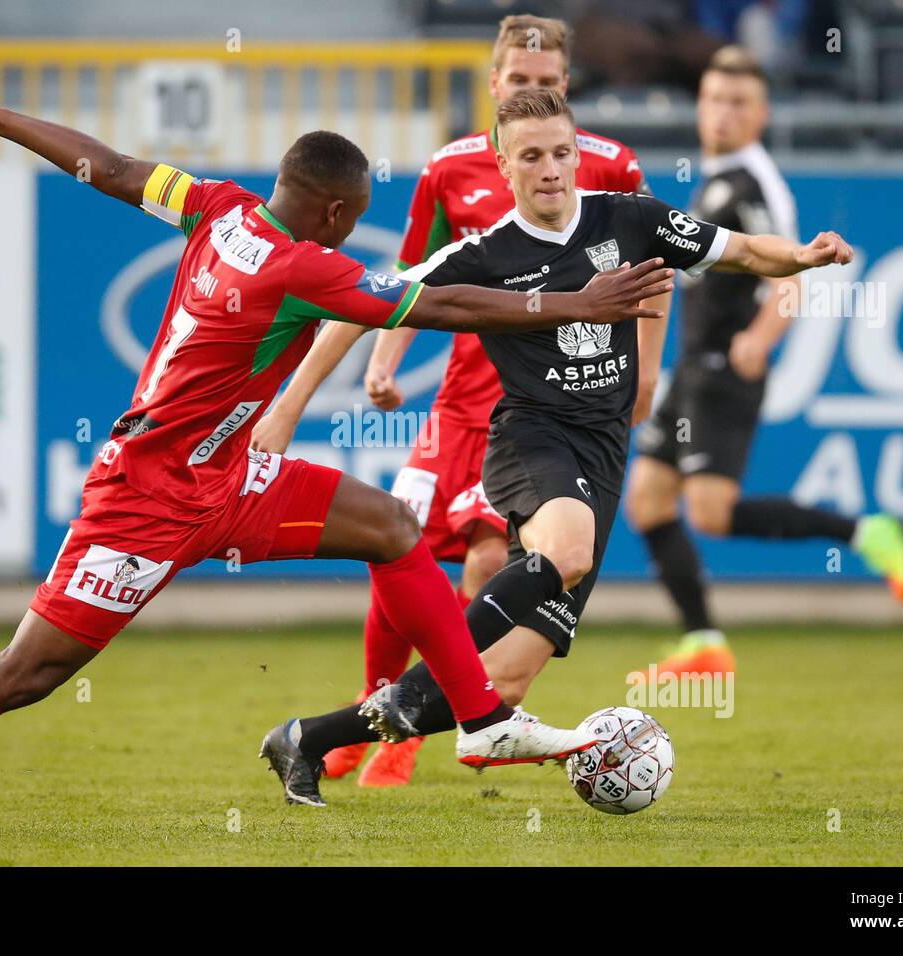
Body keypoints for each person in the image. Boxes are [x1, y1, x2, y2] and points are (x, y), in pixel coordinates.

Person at [0, 78, 676, 838]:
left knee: (393, 529)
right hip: (148, 498)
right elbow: (441, 308)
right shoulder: (302, 268)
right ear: (333, 211)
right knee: (28, 675)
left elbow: (114, 169)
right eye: (353, 220)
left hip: (228, 473)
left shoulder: (219, 208)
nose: (351, 233)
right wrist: (573, 305)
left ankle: (480, 717)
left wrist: (4, 120)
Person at [262, 87, 854, 808]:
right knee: (565, 556)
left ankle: (308, 739)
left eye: (561, 152)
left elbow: (742, 251)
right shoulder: (481, 255)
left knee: (501, 682)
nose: (550, 169)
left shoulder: (631, 219)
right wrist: (288, 407)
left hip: (603, 457)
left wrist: (802, 255)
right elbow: (356, 309)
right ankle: (477, 718)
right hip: (531, 439)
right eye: (531, 156)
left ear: (578, 156)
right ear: (505, 168)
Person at [250, 13, 668, 788]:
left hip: (551, 415)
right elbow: (402, 280)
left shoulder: (610, 168)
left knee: (487, 569)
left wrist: (645, 371)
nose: (533, 92)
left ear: (566, 88)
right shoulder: (451, 170)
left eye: (547, 84)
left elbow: (656, 265)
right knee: (397, 544)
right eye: (519, 82)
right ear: (494, 86)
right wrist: (379, 363)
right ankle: (372, 717)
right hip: (459, 408)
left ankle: (398, 725)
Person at [625, 47, 903, 680]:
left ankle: (866, 531)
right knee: (647, 499)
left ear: (761, 113)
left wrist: (760, 337)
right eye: (714, 99)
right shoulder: (720, 174)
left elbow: (788, 266)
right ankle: (704, 642)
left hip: (726, 370)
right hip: (694, 368)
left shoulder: (755, 180)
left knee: (710, 513)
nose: (723, 113)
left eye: (738, 102)